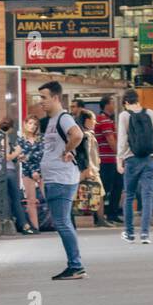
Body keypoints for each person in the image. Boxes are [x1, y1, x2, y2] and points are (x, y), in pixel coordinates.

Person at [38, 81, 86, 279]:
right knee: (63, 222)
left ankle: (76, 266)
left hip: (61, 178)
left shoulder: (63, 118)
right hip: (54, 178)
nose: (40, 102)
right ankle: (75, 265)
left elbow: (77, 134)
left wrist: (67, 150)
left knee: (62, 222)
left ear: (56, 98)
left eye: (43, 98)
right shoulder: (50, 120)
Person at [116, 89, 153, 244]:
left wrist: (119, 161)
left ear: (125, 102)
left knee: (130, 195)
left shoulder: (124, 115)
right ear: (138, 100)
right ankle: (145, 234)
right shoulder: (150, 113)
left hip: (131, 160)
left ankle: (130, 234)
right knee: (147, 196)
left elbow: (122, 140)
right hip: (149, 159)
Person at [78, 110, 112, 226]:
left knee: (94, 193)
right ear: (87, 121)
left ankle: (99, 219)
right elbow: (85, 152)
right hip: (91, 169)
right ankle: (101, 219)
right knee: (99, 194)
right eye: (93, 120)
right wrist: (88, 168)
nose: (95, 122)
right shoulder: (87, 135)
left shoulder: (86, 134)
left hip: (91, 168)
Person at [0, 117, 33, 234]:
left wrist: (17, 157)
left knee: (12, 199)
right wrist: (17, 152)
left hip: (2, 171)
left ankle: (23, 224)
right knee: (16, 199)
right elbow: (7, 157)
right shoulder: (4, 138)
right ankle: (24, 225)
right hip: (8, 172)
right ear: (11, 128)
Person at [95, 95, 122, 223]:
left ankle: (111, 213)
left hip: (108, 160)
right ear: (106, 105)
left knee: (114, 186)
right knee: (107, 188)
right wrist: (120, 155)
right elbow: (111, 140)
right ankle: (104, 215)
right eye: (112, 103)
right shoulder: (104, 120)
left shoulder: (104, 119)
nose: (114, 105)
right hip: (108, 160)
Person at [16, 115, 44, 232]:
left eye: (35, 124)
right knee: (31, 201)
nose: (33, 126)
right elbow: (20, 158)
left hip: (43, 170)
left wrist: (27, 156)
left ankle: (59, 225)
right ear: (25, 124)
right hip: (28, 172)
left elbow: (42, 153)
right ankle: (35, 227)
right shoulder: (20, 140)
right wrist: (32, 170)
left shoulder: (41, 138)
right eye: (30, 123)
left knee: (50, 197)